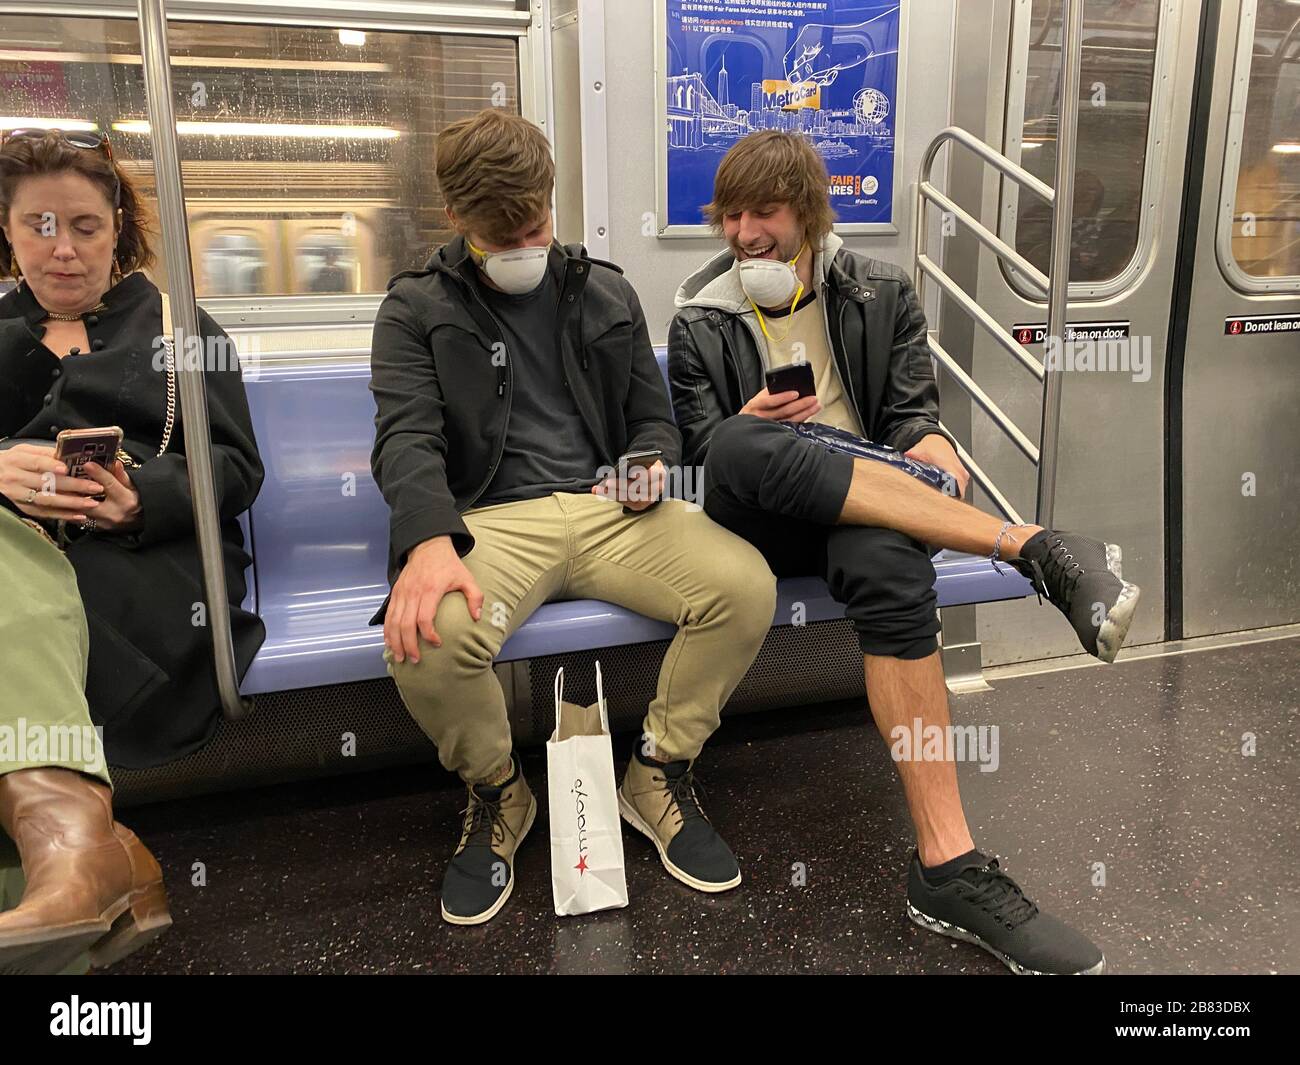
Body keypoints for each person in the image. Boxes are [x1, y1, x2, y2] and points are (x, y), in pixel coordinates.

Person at [669, 130, 1141, 975]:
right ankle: (1032, 545)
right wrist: (750, 425)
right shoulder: (699, 316)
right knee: (742, 445)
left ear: (807, 213)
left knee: (892, 568)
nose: (744, 233)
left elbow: (912, 414)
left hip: (865, 507)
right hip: (759, 518)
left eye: (764, 212)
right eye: (731, 215)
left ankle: (947, 865)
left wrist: (930, 444)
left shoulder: (881, 292)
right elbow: (699, 463)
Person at [369, 110, 777, 925]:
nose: (526, 243)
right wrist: (425, 540)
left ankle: (657, 768)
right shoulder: (415, 309)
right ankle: (499, 793)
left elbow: (653, 420)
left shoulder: (605, 290)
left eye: (538, 224)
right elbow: (405, 437)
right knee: (428, 639)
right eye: (502, 233)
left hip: (605, 506)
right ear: (456, 220)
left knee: (745, 585)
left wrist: (648, 462)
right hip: (491, 518)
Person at [0, 127, 265, 967]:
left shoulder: (180, 324)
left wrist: (136, 498)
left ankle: (78, 866)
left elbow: (235, 469)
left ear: (118, 229)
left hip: (148, 576)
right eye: (38, 225)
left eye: (85, 226)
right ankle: (74, 875)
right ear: (7, 231)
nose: (63, 249)